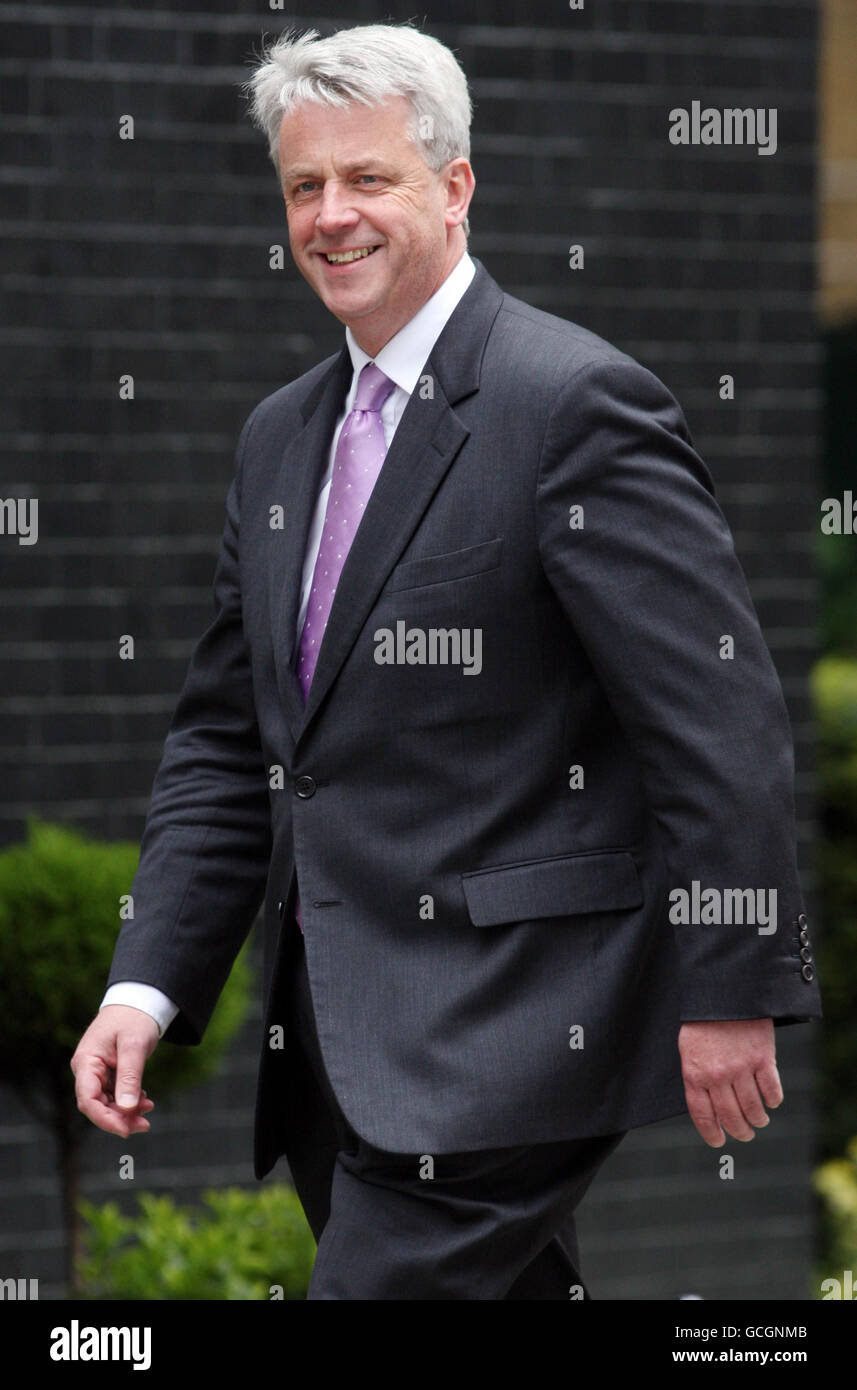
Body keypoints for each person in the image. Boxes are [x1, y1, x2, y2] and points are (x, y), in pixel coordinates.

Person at [71, 22, 822, 1300]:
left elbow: (714, 713)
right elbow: (228, 741)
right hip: (332, 1048)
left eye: (369, 179)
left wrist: (733, 980)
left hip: (516, 1034)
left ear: (454, 185)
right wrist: (146, 983)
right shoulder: (275, 440)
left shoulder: (572, 404)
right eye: (305, 187)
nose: (332, 216)